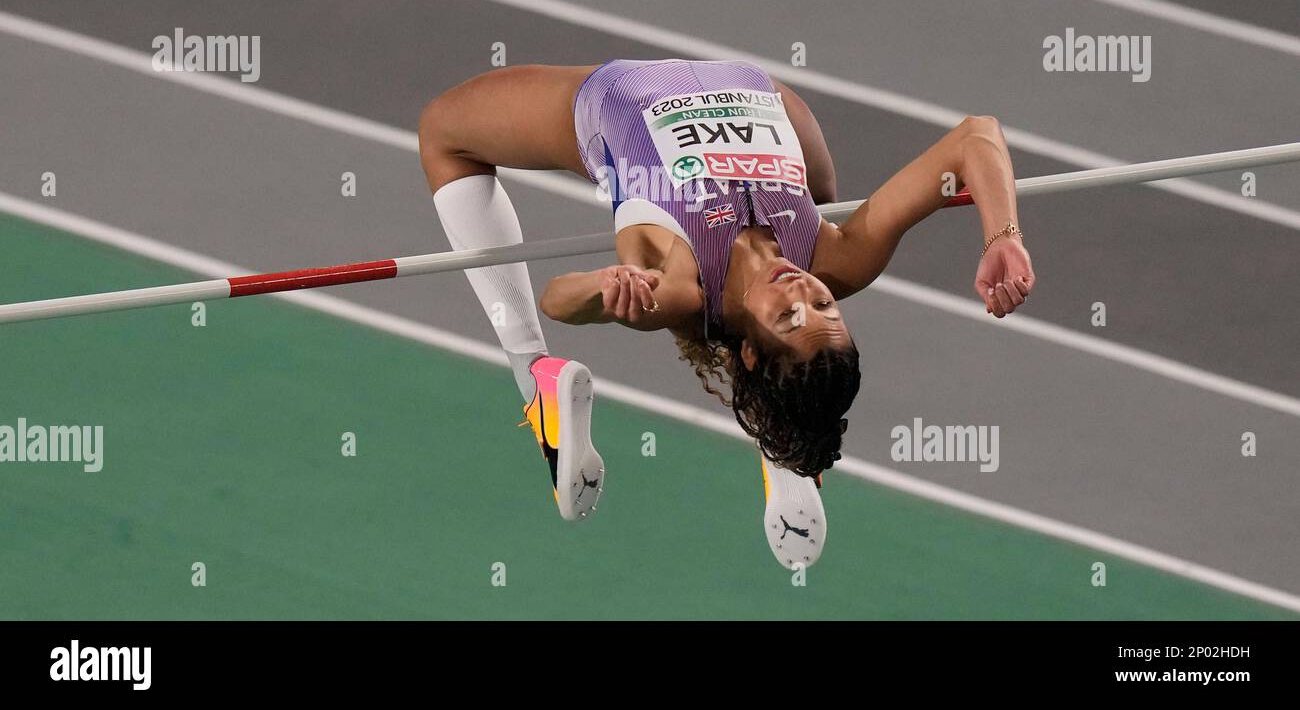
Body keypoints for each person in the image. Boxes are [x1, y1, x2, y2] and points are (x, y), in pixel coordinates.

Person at [418, 59, 1035, 538]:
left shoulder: (681, 287)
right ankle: (784, 443)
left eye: (790, 316)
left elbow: (558, 297)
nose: (806, 291)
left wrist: (604, 290)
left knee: (443, 132)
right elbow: (975, 136)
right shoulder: (837, 259)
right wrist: (1002, 235)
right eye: (827, 308)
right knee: (820, 192)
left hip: (624, 99)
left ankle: (534, 379)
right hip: (752, 90)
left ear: (751, 354)